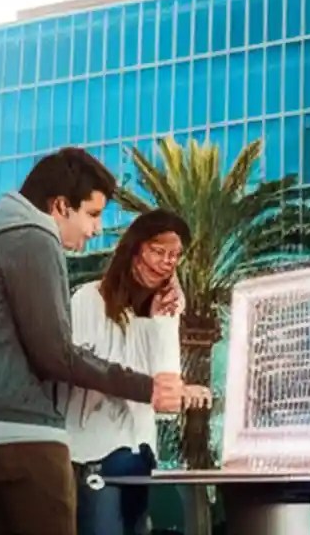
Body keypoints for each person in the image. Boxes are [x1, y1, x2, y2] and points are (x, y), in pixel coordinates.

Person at [0, 147, 184, 535]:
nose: (95, 229)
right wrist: (144, 386)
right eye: (92, 214)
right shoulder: (35, 239)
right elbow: (56, 355)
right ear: (60, 205)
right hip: (24, 435)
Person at [65, 209, 213, 535]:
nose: (165, 263)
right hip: (95, 452)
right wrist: (142, 386)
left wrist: (164, 319)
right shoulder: (89, 299)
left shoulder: (164, 310)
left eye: (174, 256)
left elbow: (166, 398)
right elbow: (74, 368)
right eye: (158, 251)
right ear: (135, 249)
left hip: (141, 452)